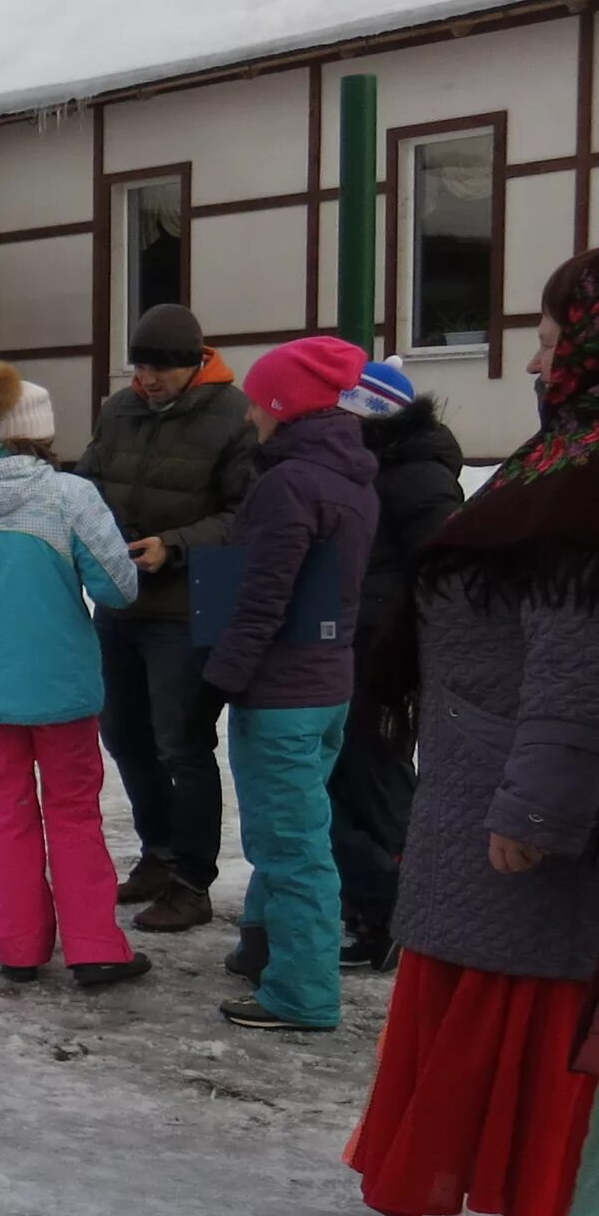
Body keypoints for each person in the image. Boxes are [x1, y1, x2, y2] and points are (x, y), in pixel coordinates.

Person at [350, 253, 599, 1216]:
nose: (539, 360)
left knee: (547, 1047)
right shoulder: (564, 454)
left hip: (532, 809)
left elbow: (576, 655)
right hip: (487, 773)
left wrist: (536, 809)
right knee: (513, 1036)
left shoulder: (588, 476)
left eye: (551, 338)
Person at [0, 363, 146, 989]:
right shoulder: (68, 497)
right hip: (60, 687)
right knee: (73, 812)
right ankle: (95, 946)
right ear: (43, 433)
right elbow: (117, 587)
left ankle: (18, 945)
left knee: (9, 813)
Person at [203, 332, 378, 1035]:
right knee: (294, 835)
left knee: (291, 846)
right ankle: (264, 948)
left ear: (285, 405)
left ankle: (302, 992)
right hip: (327, 685)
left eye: (257, 403)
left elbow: (262, 597)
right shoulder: (350, 475)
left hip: (282, 695)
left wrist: (215, 682)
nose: (249, 417)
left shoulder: (288, 485)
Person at [77, 302, 260, 934]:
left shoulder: (235, 417)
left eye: (158, 369)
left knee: (180, 741)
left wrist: (176, 543)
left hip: (187, 606)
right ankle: (157, 854)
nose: (145, 380)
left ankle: (192, 880)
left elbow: (248, 515)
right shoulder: (118, 411)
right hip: (120, 599)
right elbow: (91, 480)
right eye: (140, 367)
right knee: (122, 732)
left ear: (193, 365)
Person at [332, 359, 464, 971]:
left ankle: (398, 916)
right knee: (356, 775)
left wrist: (403, 641)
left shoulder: (415, 477)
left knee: (376, 778)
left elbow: (442, 575)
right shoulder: (374, 468)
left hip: (384, 653)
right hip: (358, 641)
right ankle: (380, 907)